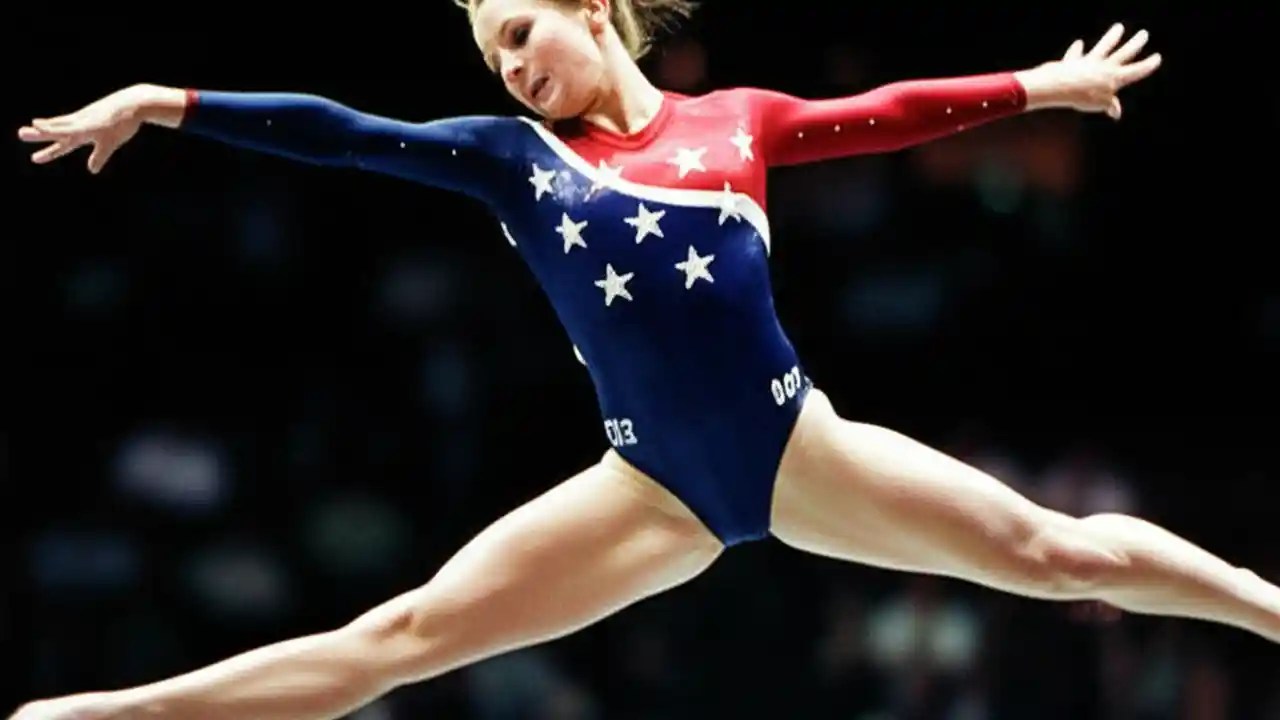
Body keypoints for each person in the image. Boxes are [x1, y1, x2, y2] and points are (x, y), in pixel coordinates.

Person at [13, 1, 1279, 718]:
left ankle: (1264, 605)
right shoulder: (509, 158)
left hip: (802, 450)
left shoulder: (735, 123)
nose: (514, 67)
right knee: (397, 636)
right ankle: (111, 717)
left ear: (594, 8)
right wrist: (172, 104)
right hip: (646, 491)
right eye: (494, 58)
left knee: (1055, 554)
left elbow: (887, 113)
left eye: (522, 32)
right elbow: (343, 132)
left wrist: (1036, 87)